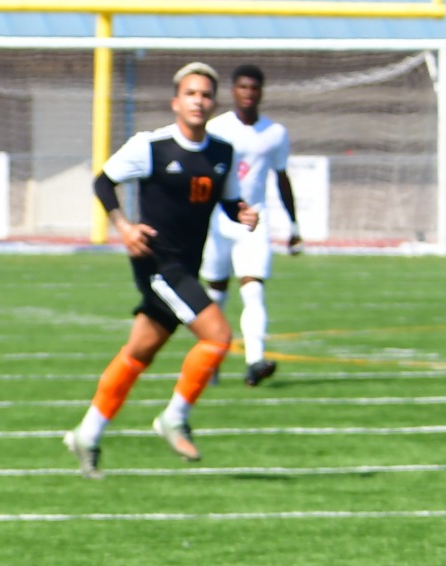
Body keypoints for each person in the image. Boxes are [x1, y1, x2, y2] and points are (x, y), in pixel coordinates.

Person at [63, 63, 259, 480]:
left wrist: (241, 212)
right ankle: (174, 417)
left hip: (186, 267)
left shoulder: (222, 152)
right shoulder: (150, 147)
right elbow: (102, 183)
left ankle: (87, 432)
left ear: (213, 103)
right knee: (219, 336)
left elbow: (225, 200)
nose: (198, 101)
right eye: (191, 93)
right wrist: (124, 226)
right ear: (176, 101)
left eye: (206, 95)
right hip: (156, 263)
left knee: (139, 353)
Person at [203, 64, 300, 387]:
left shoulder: (275, 133)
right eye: (242, 87)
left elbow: (282, 178)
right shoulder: (216, 129)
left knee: (253, 289)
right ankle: (210, 360)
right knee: (215, 293)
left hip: (254, 220)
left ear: (261, 92)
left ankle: (254, 361)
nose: (248, 93)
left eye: (254, 88)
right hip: (218, 219)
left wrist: (294, 225)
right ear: (234, 91)